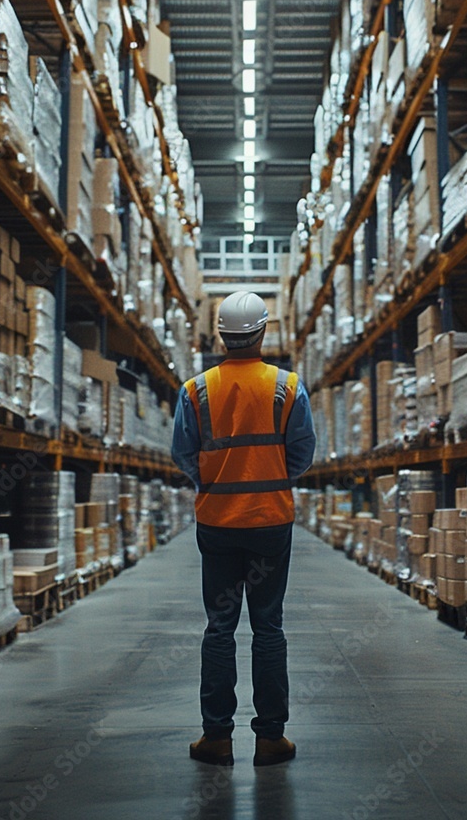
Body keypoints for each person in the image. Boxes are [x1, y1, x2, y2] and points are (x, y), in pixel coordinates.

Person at [171, 290, 316, 768]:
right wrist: (269, 478)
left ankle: (217, 738)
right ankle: (271, 738)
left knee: (219, 627)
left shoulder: (196, 390)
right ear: (263, 331)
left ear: (221, 336)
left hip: (217, 523)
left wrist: (214, 483)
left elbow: (182, 454)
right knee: (268, 627)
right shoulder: (287, 386)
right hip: (271, 521)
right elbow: (301, 453)